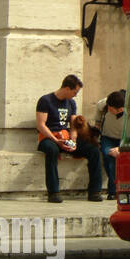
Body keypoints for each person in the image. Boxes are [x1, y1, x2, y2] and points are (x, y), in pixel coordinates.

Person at [36, 75, 104, 203]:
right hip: (49, 137)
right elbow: (41, 125)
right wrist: (56, 141)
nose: (76, 95)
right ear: (67, 88)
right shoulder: (46, 100)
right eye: (75, 92)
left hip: (65, 136)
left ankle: (95, 191)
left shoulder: (71, 103)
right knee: (52, 151)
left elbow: (73, 125)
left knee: (93, 150)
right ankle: (53, 192)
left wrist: (73, 140)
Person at [93, 90, 126, 200]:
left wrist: (120, 148)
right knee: (109, 157)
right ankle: (113, 191)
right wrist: (97, 123)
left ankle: (116, 189)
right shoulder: (106, 103)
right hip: (108, 137)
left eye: (111, 108)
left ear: (120, 109)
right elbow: (98, 106)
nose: (109, 109)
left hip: (124, 139)